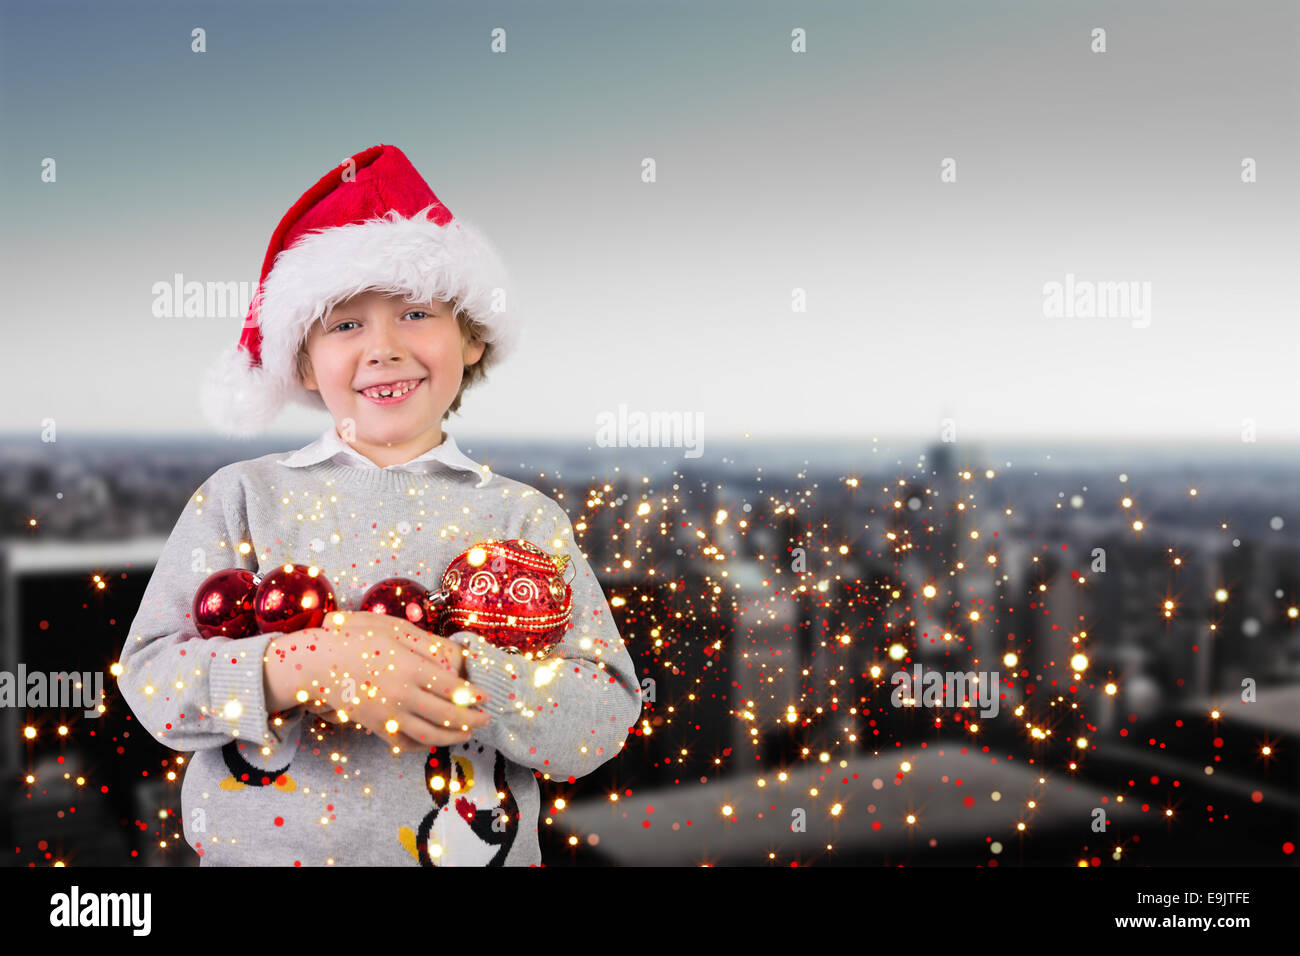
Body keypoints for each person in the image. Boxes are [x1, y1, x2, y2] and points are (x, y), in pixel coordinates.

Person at [117, 144, 642, 866]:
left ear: (472, 337)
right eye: (345, 324)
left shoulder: (525, 521)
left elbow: (602, 719)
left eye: (417, 312)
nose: (383, 348)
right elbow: (151, 683)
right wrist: (308, 663)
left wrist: (462, 674)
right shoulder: (241, 499)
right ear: (302, 359)